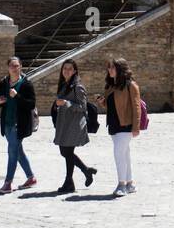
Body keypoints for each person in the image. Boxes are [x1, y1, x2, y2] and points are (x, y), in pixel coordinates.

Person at [96, 57, 141, 197]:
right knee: (125, 154)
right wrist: (102, 102)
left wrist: (136, 127)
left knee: (118, 154)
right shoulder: (110, 86)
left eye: (112, 67)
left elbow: (136, 106)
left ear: (120, 69)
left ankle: (121, 184)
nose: (109, 70)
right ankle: (130, 183)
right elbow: (111, 106)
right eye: (109, 67)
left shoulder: (130, 85)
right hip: (113, 124)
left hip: (126, 125)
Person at [52, 58, 96, 193]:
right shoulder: (64, 84)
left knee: (66, 152)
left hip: (74, 124)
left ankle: (78, 175)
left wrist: (66, 103)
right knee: (66, 152)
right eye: (64, 68)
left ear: (75, 71)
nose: (66, 71)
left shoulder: (78, 86)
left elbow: (83, 107)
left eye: (70, 69)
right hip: (64, 123)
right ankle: (72, 180)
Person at [0, 56, 37, 193]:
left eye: (16, 65)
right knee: (18, 151)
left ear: (20, 67)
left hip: (19, 124)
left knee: (12, 152)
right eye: (12, 66)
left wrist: (17, 96)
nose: (14, 68)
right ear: (8, 68)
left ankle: (8, 183)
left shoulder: (26, 84)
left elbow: (31, 104)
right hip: (7, 123)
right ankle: (31, 178)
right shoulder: (3, 83)